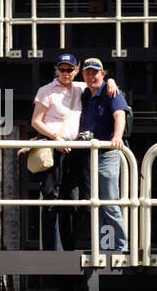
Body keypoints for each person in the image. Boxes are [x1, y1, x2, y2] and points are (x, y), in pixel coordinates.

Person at [31, 53, 119, 249]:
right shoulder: (46, 91)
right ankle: (52, 249)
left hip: (75, 151)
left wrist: (111, 81)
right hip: (54, 148)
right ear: (56, 70)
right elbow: (36, 121)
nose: (65, 73)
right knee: (51, 197)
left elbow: (99, 84)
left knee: (72, 199)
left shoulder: (81, 88)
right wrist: (55, 138)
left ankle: (69, 246)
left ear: (76, 71)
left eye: (70, 69)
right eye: (62, 69)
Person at [58, 57, 129, 254]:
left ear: (102, 74)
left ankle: (120, 247)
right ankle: (104, 245)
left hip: (106, 155)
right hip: (87, 156)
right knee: (95, 203)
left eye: (94, 72)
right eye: (87, 73)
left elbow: (120, 115)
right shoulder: (86, 93)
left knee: (109, 202)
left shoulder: (111, 92)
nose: (91, 76)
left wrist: (117, 136)